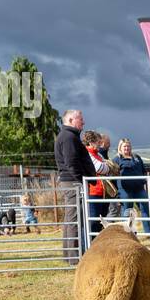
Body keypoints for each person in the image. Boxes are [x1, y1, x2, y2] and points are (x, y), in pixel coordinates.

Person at [54, 109, 97, 263]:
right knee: (74, 218)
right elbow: (71, 162)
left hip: (70, 181)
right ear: (71, 120)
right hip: (73, 182)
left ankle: (70, 255)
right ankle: (74, 257)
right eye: (81, 119)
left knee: (71, 217)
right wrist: (81, 180)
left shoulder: (69, 136)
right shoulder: (68, 137)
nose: (83, 122)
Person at [113, 138, 150, 236]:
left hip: (139, 188)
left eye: (128, 146)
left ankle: (149, 233)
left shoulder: (137, 157)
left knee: (145, 208)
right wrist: (117, 192)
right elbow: (113, 176)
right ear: (120, 147)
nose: (127, 148)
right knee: (127, 211)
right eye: (124, 146)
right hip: (125, 189)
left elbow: (143, 171)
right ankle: (127, 234)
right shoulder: (117, 159)